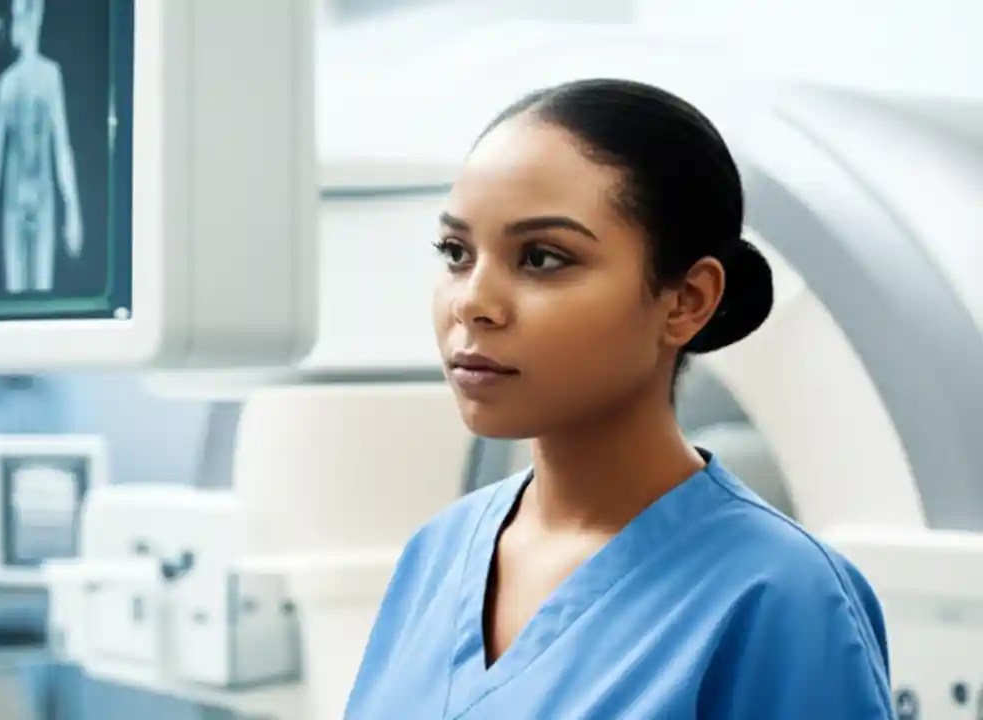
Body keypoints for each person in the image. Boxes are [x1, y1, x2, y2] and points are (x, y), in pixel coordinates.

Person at [345, 79, 892, 719]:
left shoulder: (778, 597)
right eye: (456, 253)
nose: (472, 303)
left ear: (686, 301)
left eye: (542, 258)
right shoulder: (437, 554)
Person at [0, 0, 83, 295]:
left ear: (33, 19)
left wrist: (73, 211)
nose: (13, 25)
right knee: (16, 296)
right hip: (14, 198)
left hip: (42, 195)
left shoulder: (50, 76)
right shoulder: (7, 83)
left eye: (18, 15)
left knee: (42, 294)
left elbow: (62, 145)